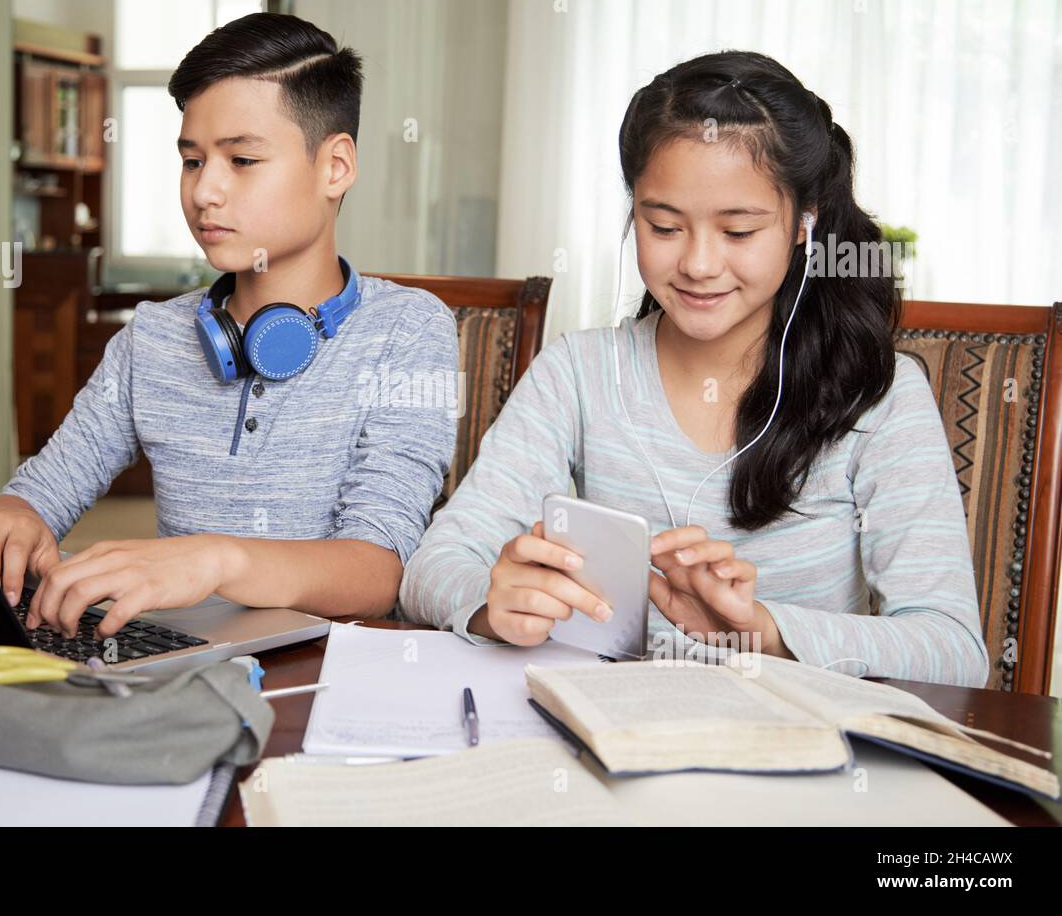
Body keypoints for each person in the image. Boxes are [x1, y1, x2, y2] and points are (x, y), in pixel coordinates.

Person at [399, 50, 989, 688]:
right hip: (606, 740)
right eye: (664, 226)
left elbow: (952, 648)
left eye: (738, 232)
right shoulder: (579, 373)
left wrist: (762, 631)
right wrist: (493, 608)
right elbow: (433, 568)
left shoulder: (880, 397)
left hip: (793, 756)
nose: (700, 265)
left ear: (804, 223)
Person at [0, 13, 459, 639]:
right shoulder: (151, 337)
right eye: (192, 160)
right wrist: (18, 512)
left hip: (328, 677)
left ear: (335, 167)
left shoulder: (410, 332)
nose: (205, 192)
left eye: (243, 159)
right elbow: (46, 487)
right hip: (177, 670)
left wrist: (214, 559)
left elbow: (377, 570)